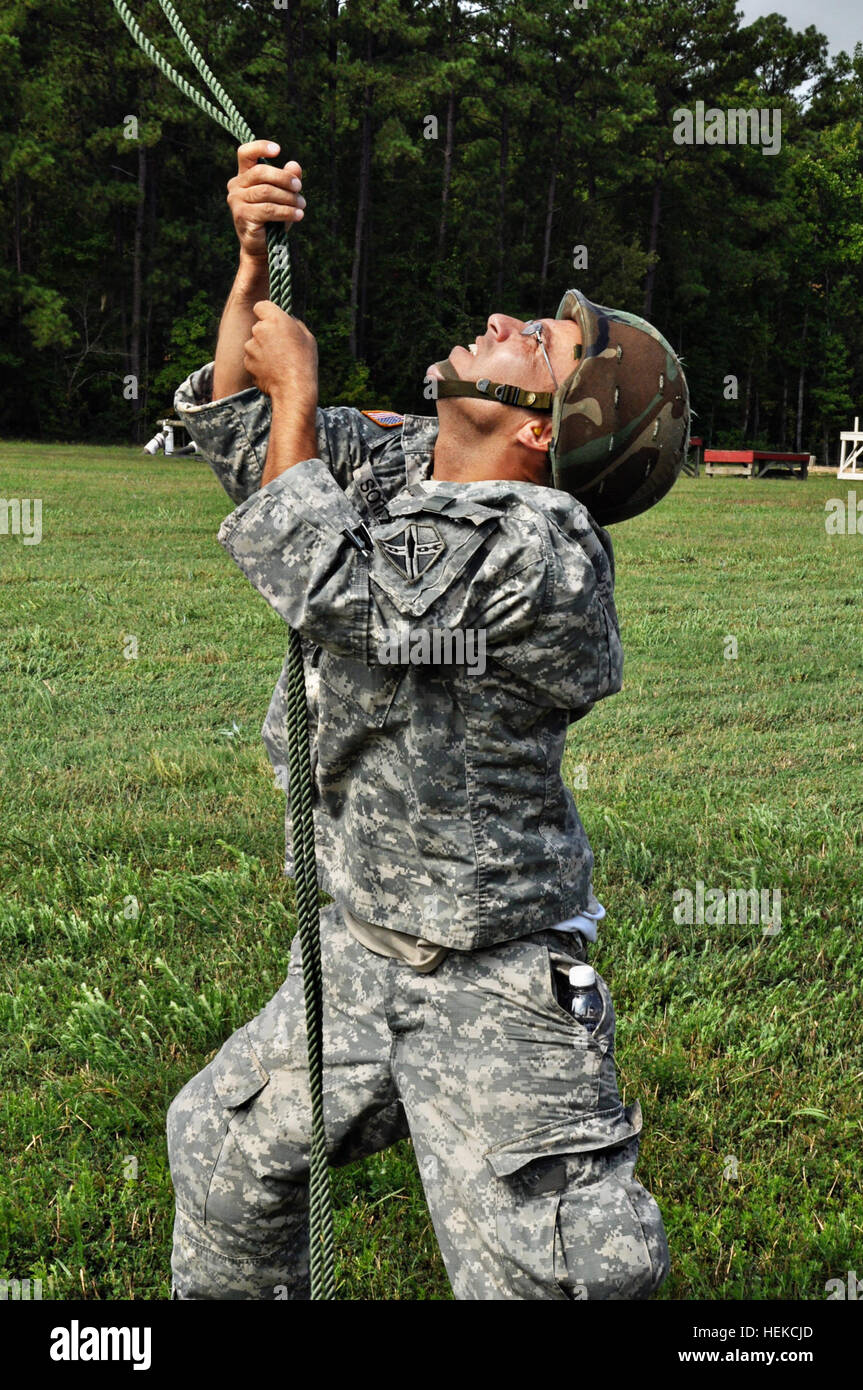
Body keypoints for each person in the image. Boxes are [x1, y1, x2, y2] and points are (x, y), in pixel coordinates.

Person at [166, 139, 689, 1300]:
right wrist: (251, 263)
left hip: (492, 980)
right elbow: (252, 434)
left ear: (547, 426)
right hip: (358, 949)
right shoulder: (407, 460)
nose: (503, 319)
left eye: (539, 343)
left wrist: (303, 387)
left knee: (556, 1278)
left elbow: (343, 588)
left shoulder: (546, 552)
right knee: (218, 1149)